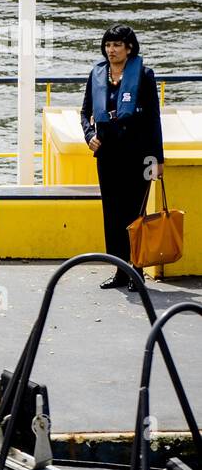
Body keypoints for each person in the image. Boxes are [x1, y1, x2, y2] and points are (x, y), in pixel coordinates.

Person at [80, 24, 164, 291]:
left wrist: (156, 159)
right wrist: (89, 134)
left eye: (116, 45)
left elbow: (153, 120)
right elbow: (84, 112)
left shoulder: (145, 76)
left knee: (134, 215)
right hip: (108, 155)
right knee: (113, 214)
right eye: (107, 45)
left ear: (129, 48)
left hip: (137, 155)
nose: (111, 50)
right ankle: (119, 269)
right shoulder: (97, 75)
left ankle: (136, 270)